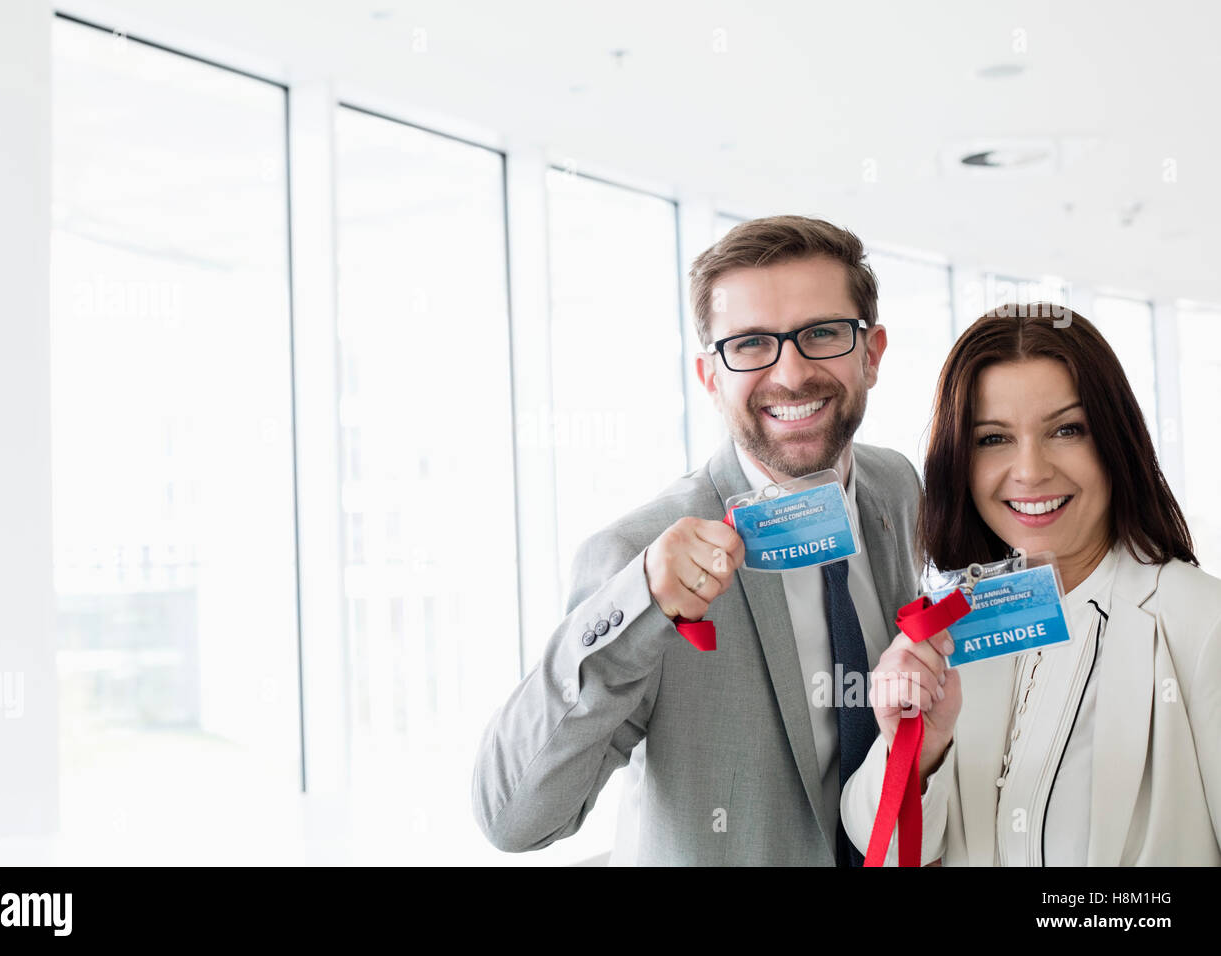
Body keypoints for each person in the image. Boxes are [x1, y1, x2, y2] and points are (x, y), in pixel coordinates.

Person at [472, 215, 925, 865]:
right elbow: (513, 819)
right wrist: (640, 604)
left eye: (822, 334)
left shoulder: (895, 486)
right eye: (749, 345)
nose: (791, 374)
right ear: (710, 376)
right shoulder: (635, 555)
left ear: (871, 353)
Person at [841, 305, 1221, 866]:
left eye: (1067, 429)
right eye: (993, 438)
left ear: (1116, 442)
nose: (1030, 470)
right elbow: (893, 849)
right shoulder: (954, 630)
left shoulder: (1199, 620)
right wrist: (917, 748)